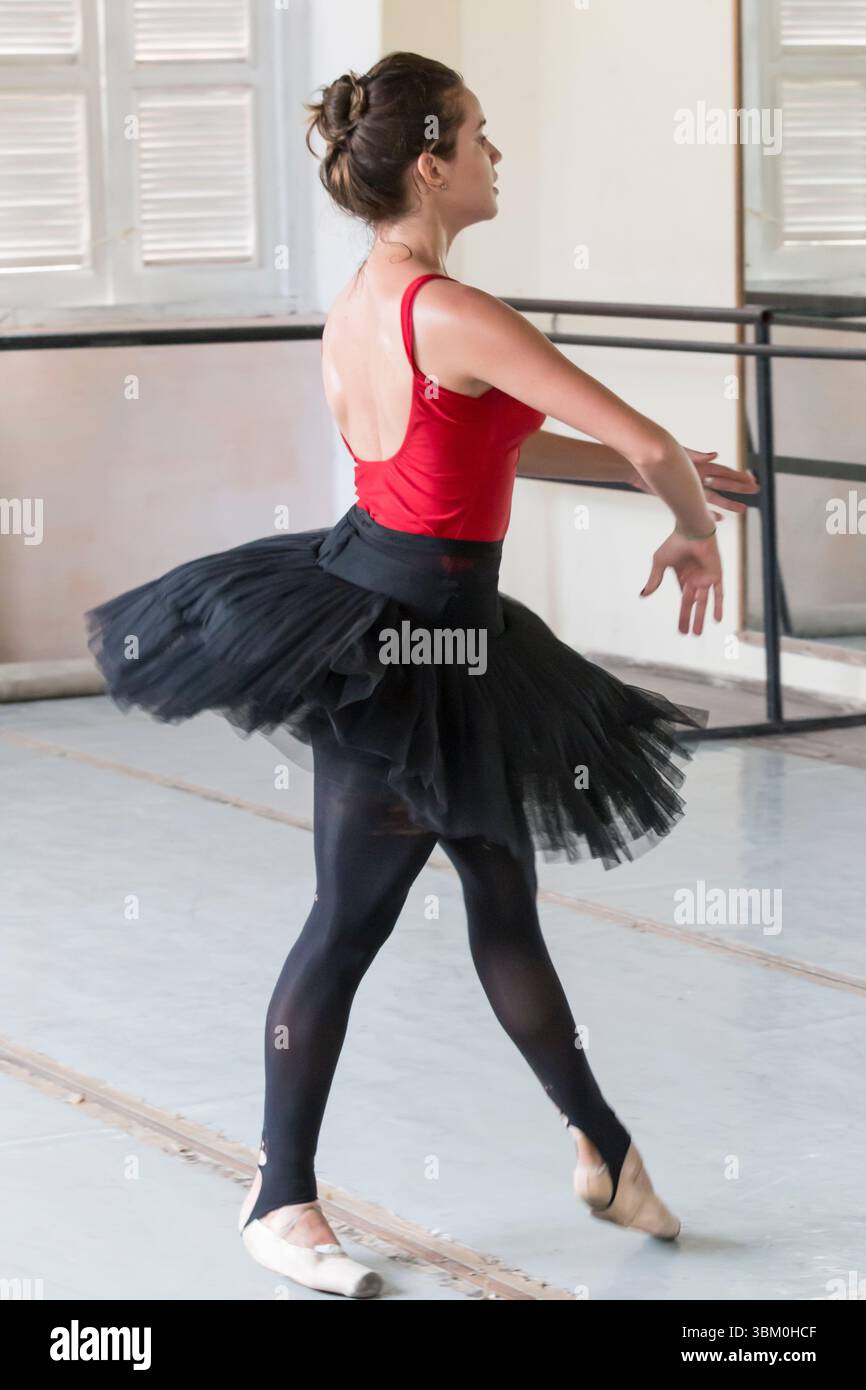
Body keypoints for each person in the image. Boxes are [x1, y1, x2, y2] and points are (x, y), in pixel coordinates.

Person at [85, 52, 758, 1299]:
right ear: (435, 158)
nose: (503, 156)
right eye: (486, 137)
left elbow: (495, 444)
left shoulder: (379, 298)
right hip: (404, 649)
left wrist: (664, 476)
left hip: (422, 626)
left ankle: (604, 1152)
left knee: (496, 899)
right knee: (355, 918)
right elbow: (639, 434)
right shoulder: (454, 308)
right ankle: (279, 1194)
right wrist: (688, 519)